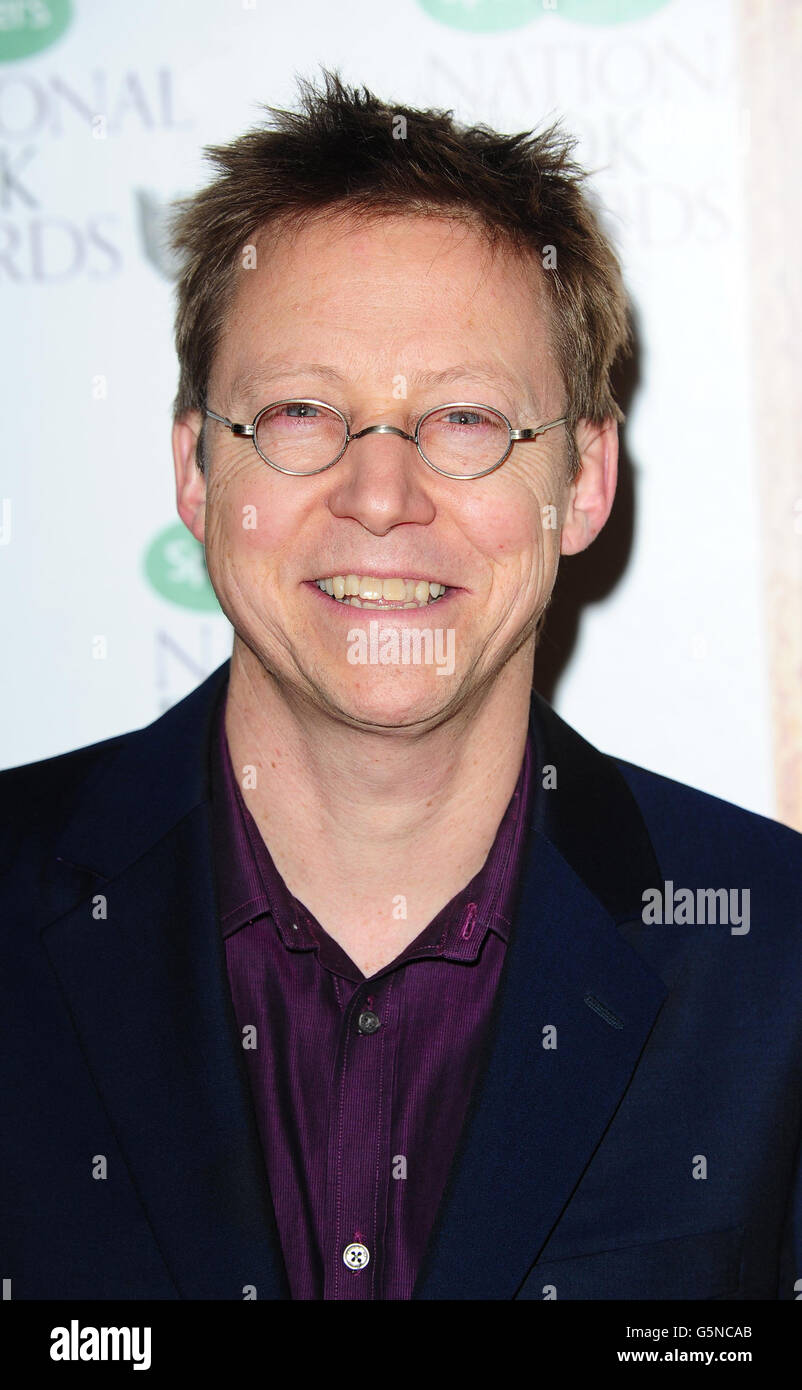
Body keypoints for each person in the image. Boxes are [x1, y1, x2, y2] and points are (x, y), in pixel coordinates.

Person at [2, 71, 800, 1302]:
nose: (381, 498)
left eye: (467, 420)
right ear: (198, 472)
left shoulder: (775, 959)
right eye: (302, 411)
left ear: (583, 481)